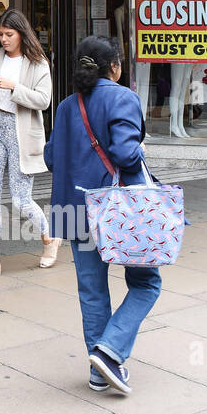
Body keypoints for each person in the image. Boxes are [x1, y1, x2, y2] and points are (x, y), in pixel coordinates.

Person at [44, 35, 159, 395]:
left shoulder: (65, 107)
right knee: (146, 283)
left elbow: (50, 158)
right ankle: (110, 353)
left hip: (74, 210)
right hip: (118, 212)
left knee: (92, 291)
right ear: (114, 66)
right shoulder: (123, 97)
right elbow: (125, 155)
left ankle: (98, 373)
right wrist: (140, 144)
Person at [0, 8, 56, 280]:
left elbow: (44, 100)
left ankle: (50, 237)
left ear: (21, 33)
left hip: (21, 133)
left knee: (21, 199)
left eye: (9, 34)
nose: (4, 39)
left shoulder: (37, 62)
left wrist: (12, 87)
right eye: (1, 34)